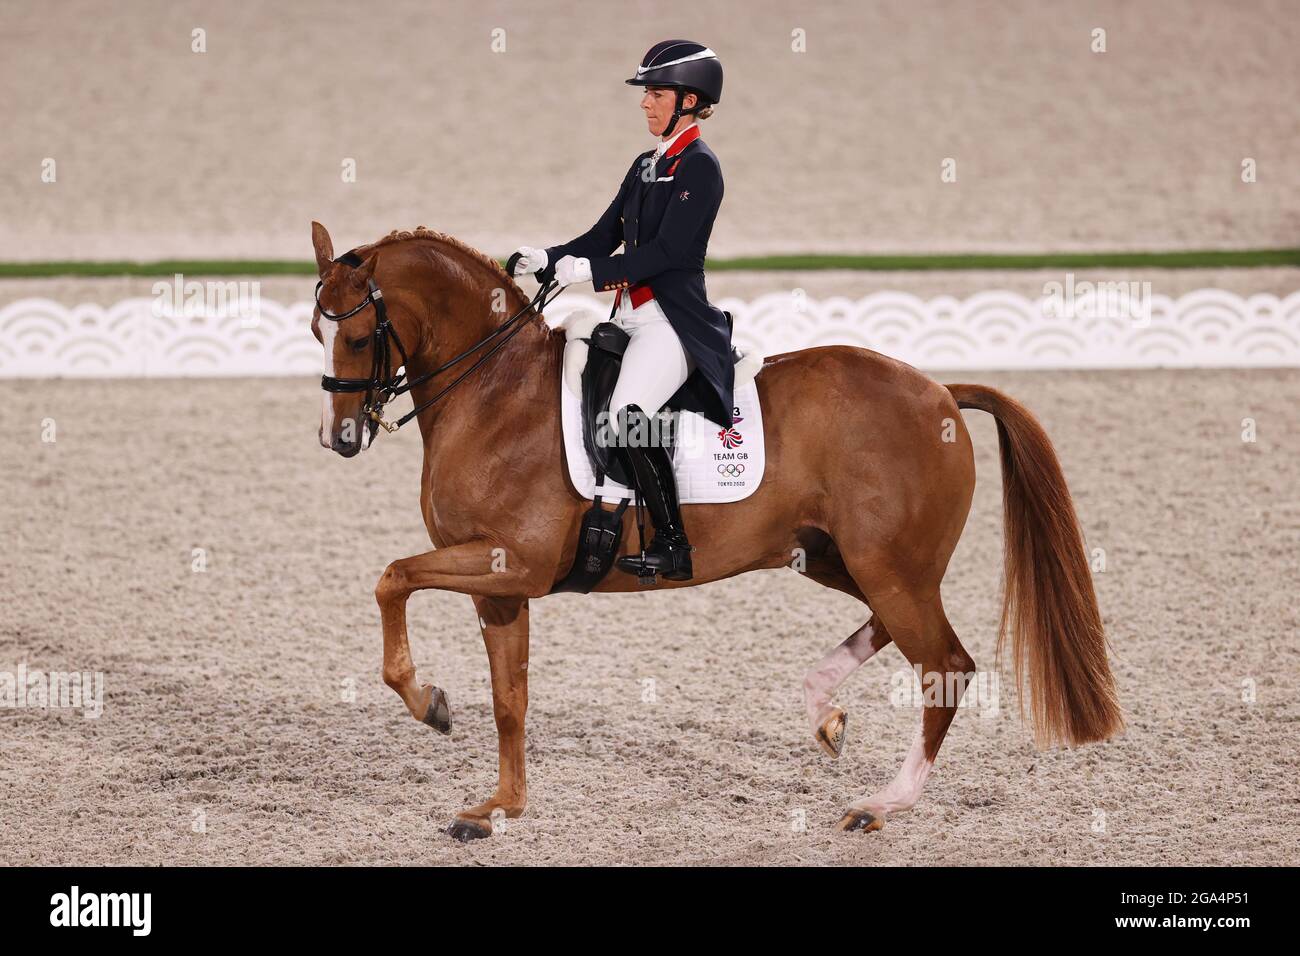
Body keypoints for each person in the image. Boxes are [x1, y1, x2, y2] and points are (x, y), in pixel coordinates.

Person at [512, 40, 735, 582]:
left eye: (655, 94)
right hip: (628, 317)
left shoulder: (700, 168)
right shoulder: (645, 165)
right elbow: (602, 235)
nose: (645, 103)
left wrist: (592, 273)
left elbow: (669, 255)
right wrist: (550, 257)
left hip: (672, 322)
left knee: (628, 415)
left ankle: (675, 545)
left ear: (688, 100)